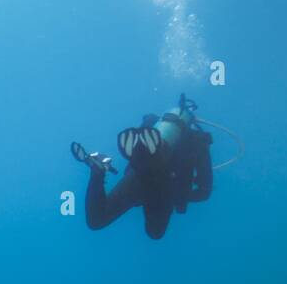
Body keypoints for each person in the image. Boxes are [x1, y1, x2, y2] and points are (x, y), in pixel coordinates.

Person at [71, 94, 214, 240]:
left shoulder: (153, 123)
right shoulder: (198, 141)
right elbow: (204, 192)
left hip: (137, 176)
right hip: (165, 187)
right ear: (190, 122)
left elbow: (134, 150)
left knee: (96, 221)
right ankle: (155, 165)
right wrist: (180, 195)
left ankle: (98, 171)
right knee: (155, 233)